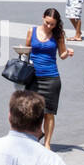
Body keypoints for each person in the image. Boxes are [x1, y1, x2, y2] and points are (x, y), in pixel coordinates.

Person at [24, 8, 74, 149]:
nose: (49, 26)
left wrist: (67, 52)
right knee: (32, 112)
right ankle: (34, 138)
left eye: (52, 24)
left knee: (49, 113)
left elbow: (62, 54)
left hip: (51, 78)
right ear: (43, 18)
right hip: (33, 77)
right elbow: (26, 51)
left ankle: (47, 143)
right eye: (47, 23)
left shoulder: (58, 35)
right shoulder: (31, 31)